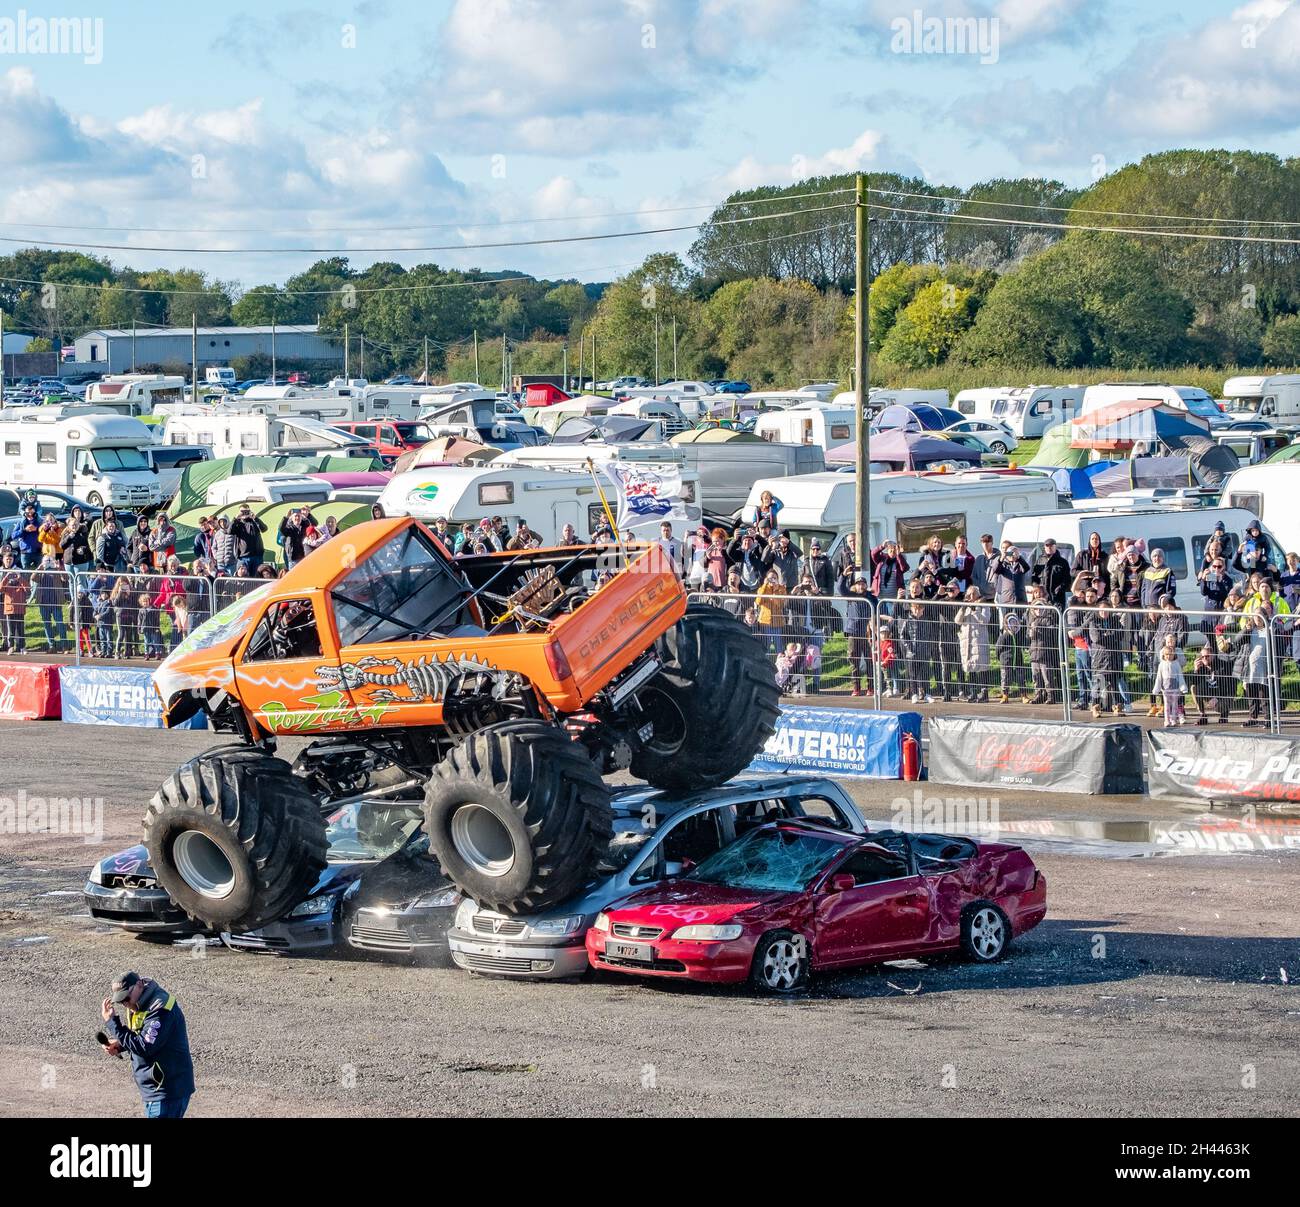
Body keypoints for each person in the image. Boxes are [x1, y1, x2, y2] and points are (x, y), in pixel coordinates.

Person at [99, 971, 194, 1119]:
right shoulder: (138, 1003)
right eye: (120, 1001)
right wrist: (121, 1044)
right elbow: (143, 1036)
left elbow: (145, 1047)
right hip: (155, 1090)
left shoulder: (159, 1007)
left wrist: (113, 1024)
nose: (125, 1003)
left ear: (139, 985)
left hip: (166, 1091)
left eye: (126, 997)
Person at [1087, 597, 1127, 716]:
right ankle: (1095, 706)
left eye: (1106, 609)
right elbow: (1096, 638)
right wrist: (1110, 635)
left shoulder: (1115, 620)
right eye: (1101, 609)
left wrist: (1107, 635)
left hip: (1114, 657)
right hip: (1100, 658)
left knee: (1115, 683)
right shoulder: (1093, 621)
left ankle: (1117, 706)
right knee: (1098, 684)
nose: (1104, 612)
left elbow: (1120, 635)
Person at [1023, 584, 1061, 705]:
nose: (1037, 595)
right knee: (1036, 674)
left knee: (1047, 674)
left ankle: (1051, 695)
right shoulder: (1030, 613)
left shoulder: (1049, 612)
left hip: (1045, 648)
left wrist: (1038, 625)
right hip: (1033, 649)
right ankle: (1038, 694)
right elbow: (1029, 630)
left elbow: (1051, 627)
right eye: (1035, 593)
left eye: (1039, 592)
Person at [954, 586, 991, 703]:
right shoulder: (966, 607)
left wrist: (975, 610)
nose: (970, 597)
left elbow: (985, 620)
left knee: (982, 667)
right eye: (968, 594)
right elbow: (957, 620)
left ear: (977, 594)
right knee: (971, 667)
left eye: (972, 594)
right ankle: (973, 692)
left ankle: (984, 693)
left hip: (979, 641)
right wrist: (963, 609)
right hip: (967, 641)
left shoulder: (984, 605)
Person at [845, 574, 873, 697]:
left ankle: (871, 687)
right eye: (858, 584)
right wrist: (844, 575)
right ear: (855, 586)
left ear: (866, 585)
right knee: (854, 661)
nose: (860, 586)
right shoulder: (851, 596)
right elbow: (841, 589)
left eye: (862, 584)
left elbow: (877, 608)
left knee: (869, 661)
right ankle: (856, 687)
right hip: (853, 632)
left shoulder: (871, 597)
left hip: (867, 633)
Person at [32, 556, 68, 651]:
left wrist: (60, 568)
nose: (48, 562)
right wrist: (39, 568)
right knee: (47, 624)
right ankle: (51, 645)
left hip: (55, 602)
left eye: (49, 561)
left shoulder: (57, 570)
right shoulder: (41, 571)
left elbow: (65, 578)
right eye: (46, 561)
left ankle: (65, 645)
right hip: (43, 602)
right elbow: (33, 578)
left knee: (60, 624)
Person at [0, 551, 30, 652]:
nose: (9, 561)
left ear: (13, 560)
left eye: (11, 559)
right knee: (8, 628)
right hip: (7, 603)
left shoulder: (19, 570)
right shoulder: (1, 570)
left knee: (20, 628)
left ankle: (21, 647)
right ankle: (9, 646)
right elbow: (1, 588)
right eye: (7, 559)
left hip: (18, 604)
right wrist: (6, 577)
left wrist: (19, 577)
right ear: (3, 560)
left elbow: (27, 587)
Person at [1032, 538, 1071, 610]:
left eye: (1051, 545)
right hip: (1041, 598)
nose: (1049, 547)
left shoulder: (1063, 562)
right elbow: (1034, 578)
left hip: (1057, 598)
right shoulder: (1039, 561)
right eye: (1047, 545)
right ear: (1044, 547)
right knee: (1040, 618)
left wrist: (1058, 590)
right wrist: (1037, 589)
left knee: (1056, 619)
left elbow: (1067, 580)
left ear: (1055, 546)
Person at [230, 505, 268, 575]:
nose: (244, 513)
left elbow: (264, 529)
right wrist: (235, 518)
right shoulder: (238, 523)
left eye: (246, 511)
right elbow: (229, 531)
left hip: (257, 556)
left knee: (257, 577)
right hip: (243, 557)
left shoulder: (254, 521)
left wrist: (255, 518)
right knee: (243, 577)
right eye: (242, 512)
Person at [1154, 646, 1187, 726]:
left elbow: (1180, 676)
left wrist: (1183, 687)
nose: (1168, 656)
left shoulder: (1176, 664)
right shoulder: (1161, 665)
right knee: (1166, 705)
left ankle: (1173, 719)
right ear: (1163, 655)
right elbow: (1159, 677)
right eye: (1166, 654)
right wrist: (1157, 688)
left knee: (1175, 705)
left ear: (1174, 654)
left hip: (1175, 689)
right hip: (1165, 689)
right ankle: (1167, 720)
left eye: (1170, 654)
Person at [1071, 531, 1110, 597]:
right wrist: (1085, 574)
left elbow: (1107, 574)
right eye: (1092, 539)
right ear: (1089, 541)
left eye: (1096, 539)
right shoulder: (1082, 555)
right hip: (1085, 589)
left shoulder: (1104, 556)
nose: (1095, 540)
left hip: (1100, 590)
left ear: (1099, 541)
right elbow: (1073, 571)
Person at [59, 505, 94, 573]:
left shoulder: (85, 528)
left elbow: (89, 544)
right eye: (75, 511)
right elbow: (62, 545)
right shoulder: (66, 531)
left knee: (81, 581)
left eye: (79, 511)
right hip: (69, 560)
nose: (77, 512)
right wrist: (69, 537)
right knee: (71, 582)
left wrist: (83, 549)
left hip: (81, 560)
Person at [10, 503, 43, 569]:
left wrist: (37, 529)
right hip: (25, 552)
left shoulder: (40, 522)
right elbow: (13, 535)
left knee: (40, 573)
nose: (30, 515)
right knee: (26, 572)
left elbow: (46, 534)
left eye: (32, 513)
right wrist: (24, 530)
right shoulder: (21, 522)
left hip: (38, 552)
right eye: (28, 513)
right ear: (25, 513)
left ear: (35, 513)